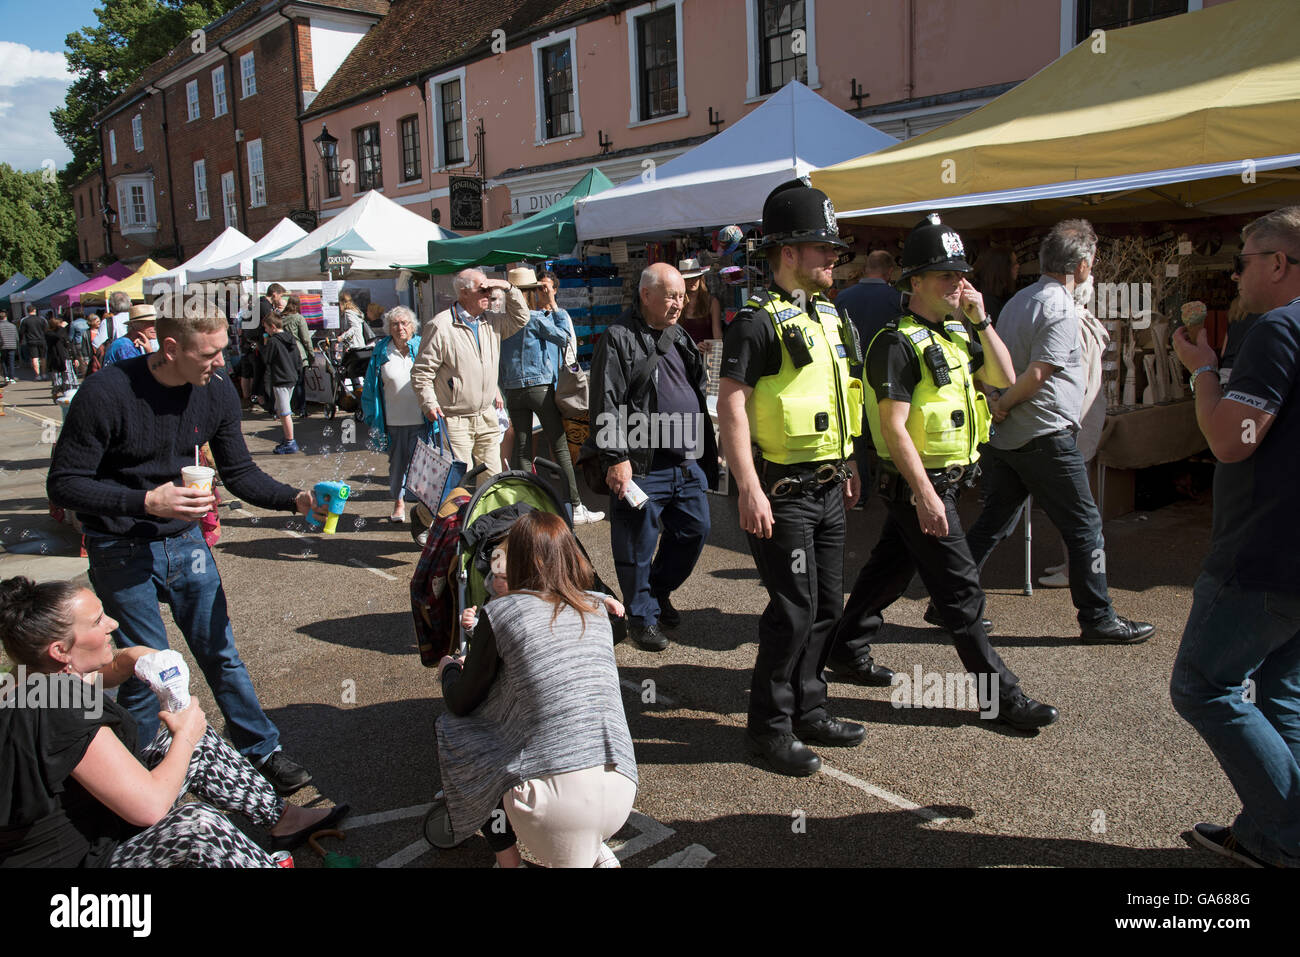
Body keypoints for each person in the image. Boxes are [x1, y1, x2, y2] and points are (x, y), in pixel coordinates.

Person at [46, 304, 325, 795]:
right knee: (149, 669)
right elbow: (64, 483)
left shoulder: (214, 391)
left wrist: (294, 499)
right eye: (211, 353)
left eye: (225, 349)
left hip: (186, 542)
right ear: (170, 348)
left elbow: (238, 473)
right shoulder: (107, 392)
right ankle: (138, 776)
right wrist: (146, 500)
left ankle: (262, 751)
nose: (223, 363)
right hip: (118, 547)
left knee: (221, 652)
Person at [828, 213, 1059, 732]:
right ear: (915, 283)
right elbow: (893, 429)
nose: (959, 284)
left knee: (889, 569)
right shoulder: (896, 342)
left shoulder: (958, 332)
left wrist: (981, 319)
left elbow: (1003, 376)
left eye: (962, 274)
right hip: (922, 486)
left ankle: (845, 645)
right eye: (946, 276)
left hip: (942, 483)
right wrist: (926, 496)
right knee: (961, 592)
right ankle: (999, 697)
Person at [0, 577, 348, 867]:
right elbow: (150, 807)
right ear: (60, 650)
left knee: (195, 748)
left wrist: (136, 658)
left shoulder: (33, 677)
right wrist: (184, 733)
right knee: (195, 826)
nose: (113, 624)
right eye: (96, 622)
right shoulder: (60, 710)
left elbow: (97, 673)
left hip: (95, 819)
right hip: (80, 865)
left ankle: (285, 819)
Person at [717, 180, 867, 776]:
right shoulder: (756, 325)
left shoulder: (829, 316)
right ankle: (769, 729)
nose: (833, 257)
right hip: (781, 493)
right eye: (821, 247)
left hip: (827, 487)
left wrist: (849, 459)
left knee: (828, 604)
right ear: (787, 253)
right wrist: (748, 486)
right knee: (793, 609)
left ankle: (809, 706)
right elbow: (731, 407)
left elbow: (842, 395)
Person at [1169, 206, 1300, 869]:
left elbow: (1230, 439)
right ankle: (1270, 835)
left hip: (1264, 554)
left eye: (1244, 259)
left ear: (1278, 263)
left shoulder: (1278, 330)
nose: (1236, 273)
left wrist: (1203, 372)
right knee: (1280, 692)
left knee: (1203, 685)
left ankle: (1287, 828)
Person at [962, 220, 1154, 645]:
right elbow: (1037, 374)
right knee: (1085, 527)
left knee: (995, 520)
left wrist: (998, 405)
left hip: (1013, 436)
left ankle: (949, 601)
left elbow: (1003, 361)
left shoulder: (1018, 301)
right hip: (1043, 433)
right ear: (1083, 265)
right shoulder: (1062, 308)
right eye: (1094, 261)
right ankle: (1099, 618)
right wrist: (1003, 405)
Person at [436, 511, 637, 868]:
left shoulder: (501, 612)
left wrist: (449, 670)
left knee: (458, 731)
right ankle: (594, 850)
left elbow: (462, 701)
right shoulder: (595, 608)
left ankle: (508, 860)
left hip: (553, 810)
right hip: (621, 791)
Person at [585, 262, 716, 652]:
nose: (680, 302)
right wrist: (615, 456)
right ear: (646, 295)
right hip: (642, 463)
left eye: (682, 295)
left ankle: (657, 592)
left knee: (696, 530)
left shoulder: (679, 336)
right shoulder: (618, 337)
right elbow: (605, 399)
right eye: (672, 295)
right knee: (637, 544)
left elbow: (695, 384)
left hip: (685, 460)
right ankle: (641, 616)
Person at [500, 267, 602, 525]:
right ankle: (576, 507)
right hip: (539, 386)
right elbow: (565, 337)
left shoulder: (501, 319)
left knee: (522, 450)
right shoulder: (534, 318)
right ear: (531, 290)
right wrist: (553, 304)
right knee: (559, 445)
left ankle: (527, 508)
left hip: (512, 389)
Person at [411, 268, 529, 484]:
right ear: (464, 293)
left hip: (486, 414)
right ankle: (443, 517)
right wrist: (428, 403)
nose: (489, 294)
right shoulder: (441, 325)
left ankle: (487, 518)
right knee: (458, 480)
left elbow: (521, 317)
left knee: (492, 479)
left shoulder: (491, 321)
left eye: (490, 288)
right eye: (482, 289)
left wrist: (508, 288)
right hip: (456, 418)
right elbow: (422, 371)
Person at [1039, 274, 1109, 587]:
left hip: (1076, 420)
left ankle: (1075, 569)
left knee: (1076, 504)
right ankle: (1072, 565)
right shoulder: (1087, 323)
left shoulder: (1076, 326)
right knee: (1076, 501)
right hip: (1082, 418)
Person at [835, 249, 906, 495]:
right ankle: (893, 489)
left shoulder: (843, 297)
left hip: (851, 375)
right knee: (891, 432)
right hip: (884, 376)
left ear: (866, 268)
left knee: (856, 436)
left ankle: (860, 492)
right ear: (889, 272)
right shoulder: (896, 299)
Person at [362, 306, 430, 522]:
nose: (400, 328)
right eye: (395, 324)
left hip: (422, 419)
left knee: (421, 467)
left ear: (412, 326)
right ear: (389, 328)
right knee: (398, 466)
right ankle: (399, 504)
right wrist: (371, 415)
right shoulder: (381, 351)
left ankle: (423, 509)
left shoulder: (422, 346)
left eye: (404, 323)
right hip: (393, 420)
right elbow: (371, 387)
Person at [259, 312, 302, 454]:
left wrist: (264, 345)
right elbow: (297, 359)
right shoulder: (290, 338)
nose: (265, 331)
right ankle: (287, 437)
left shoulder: (273, 341)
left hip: (281, 378)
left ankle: (290, 441)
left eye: (266, 328)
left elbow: (266, 359)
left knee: (284, 412)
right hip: (292, 377)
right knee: (282, 409)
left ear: (272, 327)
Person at [677, 258, 722, 349]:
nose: (692, 281)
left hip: (707, 355)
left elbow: (717, 335)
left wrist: (716, 352)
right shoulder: (678, 302)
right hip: (684, 356)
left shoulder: (712, 302)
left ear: (700, 278)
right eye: (687, 278)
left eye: (694, 277)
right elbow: (673, 335)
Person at [972, 246, 1019, 327]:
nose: (1018, 266)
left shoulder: (1009, 295)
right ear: (1001, 268)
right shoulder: (983, 300)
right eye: (1013, 263)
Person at [19, 305, 46, 380]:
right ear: (35, 310)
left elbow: (21, 332)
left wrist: (20, 340)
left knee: (35, 358)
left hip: (31, 341)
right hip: (42, 340)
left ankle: (38, 375)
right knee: (43, 357)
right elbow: (46, 330)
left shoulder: (25, 321)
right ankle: (44, 374)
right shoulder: (42, 319)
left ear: (27, 311)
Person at [0, 310, 17, 384]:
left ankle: (6, 376)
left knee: (3, 361)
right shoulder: (13, 325)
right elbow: (16, 337)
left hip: (2, 346)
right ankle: (12, 378)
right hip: (12, 345)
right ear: (6, 317)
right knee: (11, 362)